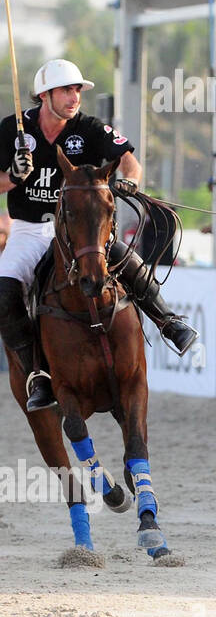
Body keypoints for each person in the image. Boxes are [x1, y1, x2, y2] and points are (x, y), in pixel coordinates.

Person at [0, 59, 199, 412]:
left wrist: (131, 181)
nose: (75, 96)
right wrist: (13, 178)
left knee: (127, 260)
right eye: (66, 90)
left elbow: (128, 160)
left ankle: (169, 323)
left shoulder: (89, 128)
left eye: (77, 90)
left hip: (82, 230)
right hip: (31, 229)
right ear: (45, 95)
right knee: (4, 290)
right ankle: (37, 375)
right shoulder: (13, 130)